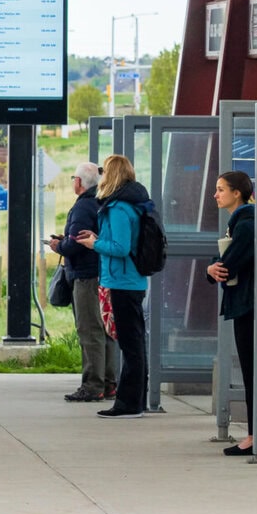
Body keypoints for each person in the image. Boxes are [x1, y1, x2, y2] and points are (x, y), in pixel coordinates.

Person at [74, 154, 152, 417]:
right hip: (129, 280)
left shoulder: (118, 207)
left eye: (104, 172)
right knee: (134, 342)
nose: (100, 178)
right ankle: (135, 401)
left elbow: (120, 247)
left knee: (131, 345)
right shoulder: (130, 203)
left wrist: (94, 244)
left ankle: (129, 403)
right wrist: (97, 237)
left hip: (122, 281)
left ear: (113, 175)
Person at [48, 162, 112, 402]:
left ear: (79, 182)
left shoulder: (83, 206)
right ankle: (109, 381)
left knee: (89, 329)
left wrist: (59, 245)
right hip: (102, 272)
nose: (73, 181)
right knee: (104, 329)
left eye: (74, 177)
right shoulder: (102, 202)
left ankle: (92, 386)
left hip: (85, 275)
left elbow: (76, 243)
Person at [208, 170, 257, 455]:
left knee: (251, 368)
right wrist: (213, 266)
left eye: (221, 189)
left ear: (237, 193)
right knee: (251, 367)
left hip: (248, 304)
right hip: (250, 302)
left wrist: (213, 267)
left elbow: (228, 264)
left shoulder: (245, 224)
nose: (216, 194)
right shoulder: (242, 221)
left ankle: (254, 435)